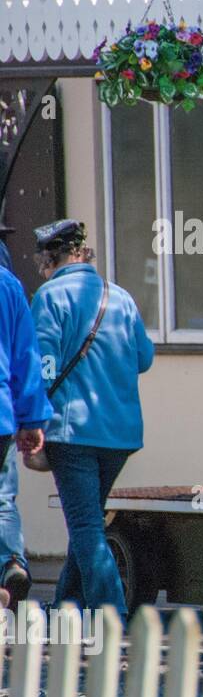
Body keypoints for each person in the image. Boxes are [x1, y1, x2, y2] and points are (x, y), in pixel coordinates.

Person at [30, 220, 154, 616]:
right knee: (87, 523)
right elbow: (144, 358)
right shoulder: (120, 297)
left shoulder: (49, 296)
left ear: (50, 258)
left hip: (72, 432)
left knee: (85, 526)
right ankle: (66, 605)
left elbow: (43, 366)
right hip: (120, 434)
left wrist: (32, 421)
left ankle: (110, 615)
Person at [0, 235, 51, 610]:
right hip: (1, 414)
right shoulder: (10, 286)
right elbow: (26, 359)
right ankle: (10, 562)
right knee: (2, 499)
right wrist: (32, 419)